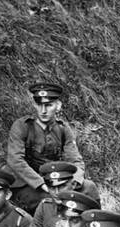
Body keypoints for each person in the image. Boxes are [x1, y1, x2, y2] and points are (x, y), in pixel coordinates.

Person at [6, 81, 87, 214]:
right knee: (52, 203)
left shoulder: (63, 129)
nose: (43, 111)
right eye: (39, 105)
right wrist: (42, 184)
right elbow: (15, 161)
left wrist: (74, 182)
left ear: (58, 106)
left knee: (89, 188)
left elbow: (76, 160)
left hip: (53, 181)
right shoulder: (22, 126)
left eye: (48, 105)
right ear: (34, 104)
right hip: (25, 184)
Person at [27, 160, 99, 227]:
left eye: (62, 186)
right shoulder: (44, 207)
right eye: (52, 188)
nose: (56, 192)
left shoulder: (84, 207)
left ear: (73, 184)